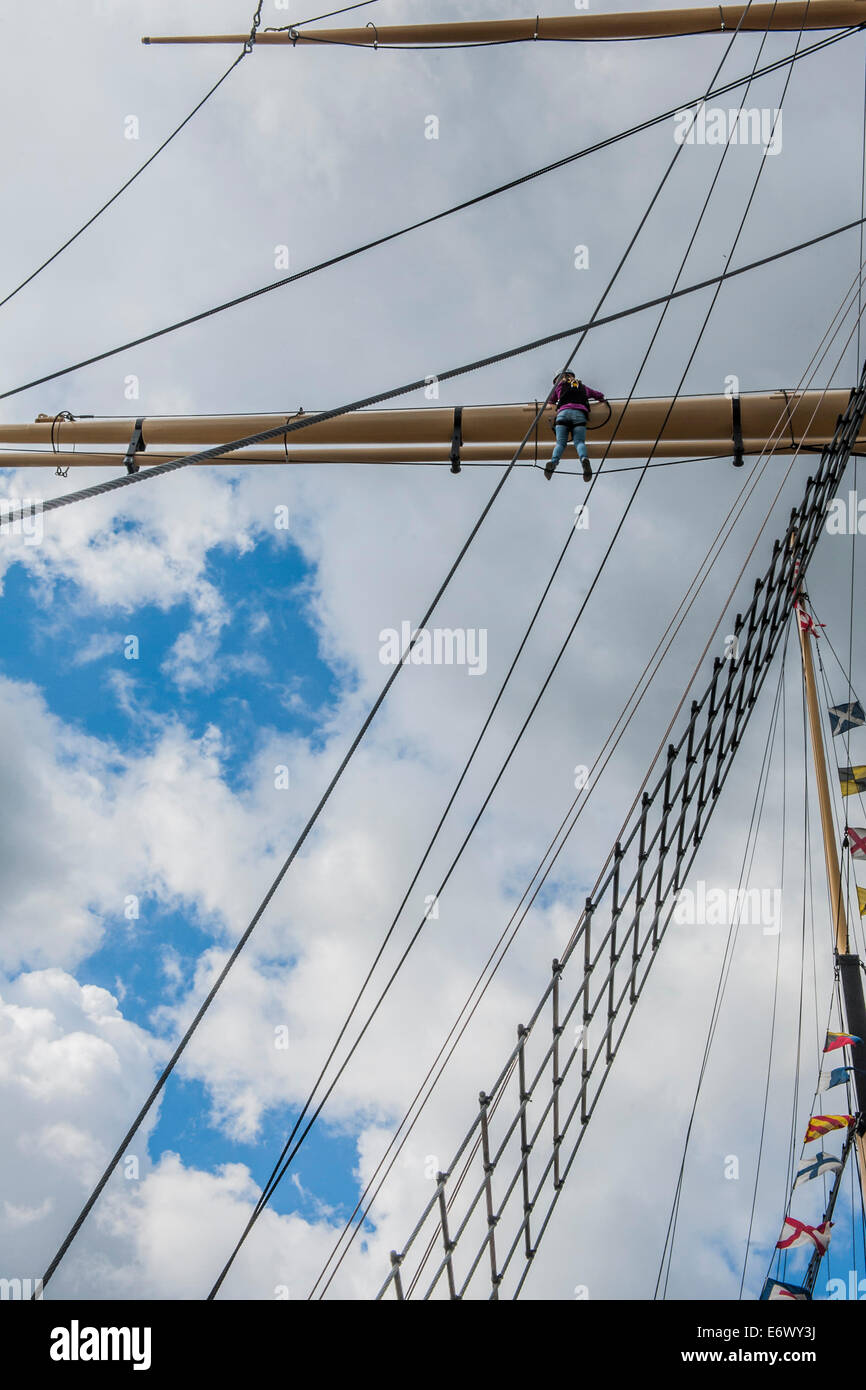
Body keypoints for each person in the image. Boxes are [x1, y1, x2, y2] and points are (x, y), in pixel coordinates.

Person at [544, 370, 606, 482]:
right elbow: (598, 394)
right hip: (579, 414)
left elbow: (551, 401)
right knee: (579, 442)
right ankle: (584, 459)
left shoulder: (559, 387)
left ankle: (553, 462)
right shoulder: (582, 386)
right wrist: (601, 399)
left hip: (563, 414)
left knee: (561, 443)